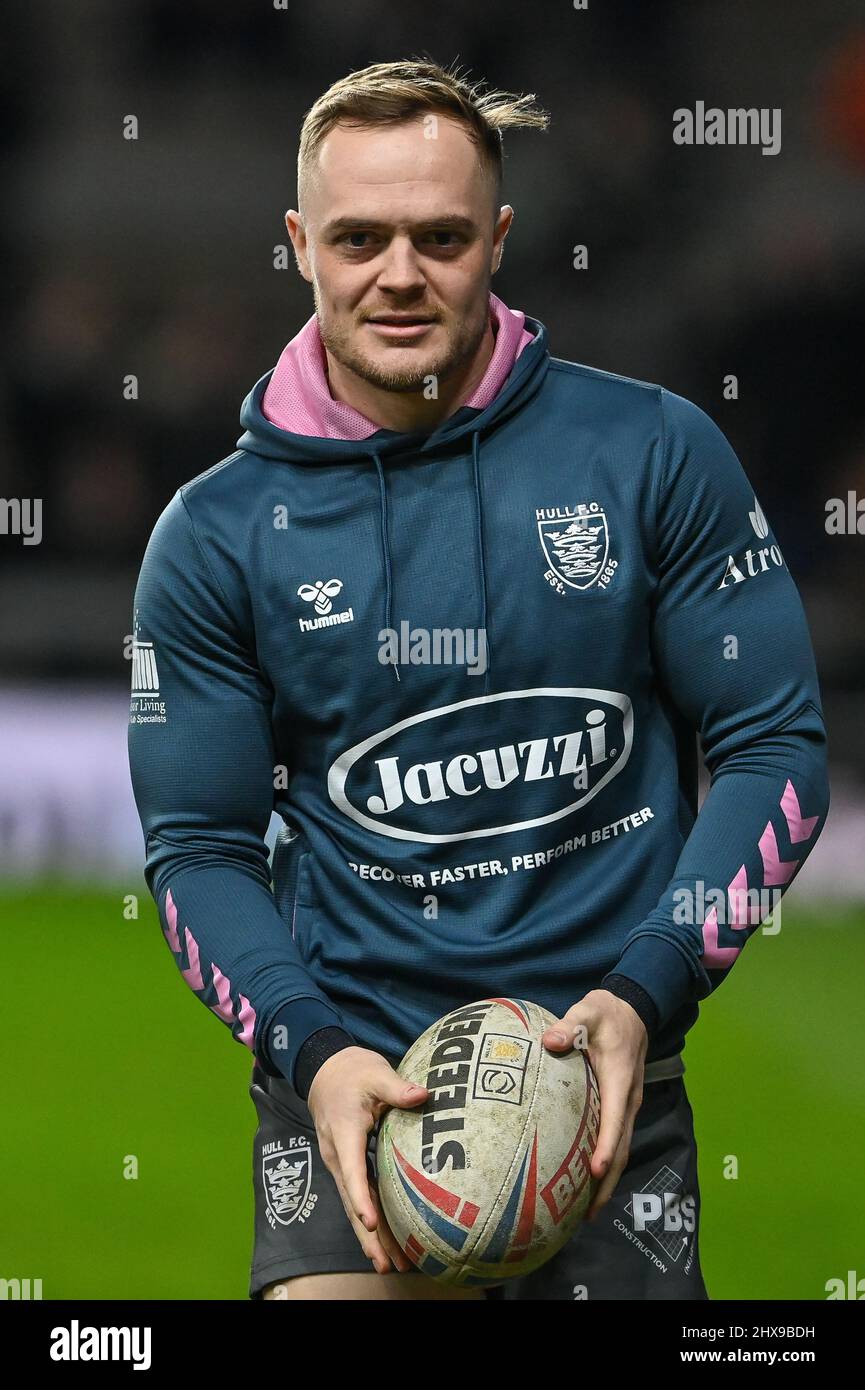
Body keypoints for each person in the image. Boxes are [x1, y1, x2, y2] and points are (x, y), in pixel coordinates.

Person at [127, 59, 829, 1301]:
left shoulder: (653, 451)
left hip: (608, 1071)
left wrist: (644, 989)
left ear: (499, 240)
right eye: (359, 237)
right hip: (348, 1084)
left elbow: (776, 749)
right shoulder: (214, 536)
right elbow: (197, 850)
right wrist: (315, 1049)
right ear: (299, 244)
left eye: (440, 235)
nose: (399, 273)